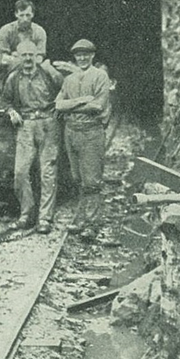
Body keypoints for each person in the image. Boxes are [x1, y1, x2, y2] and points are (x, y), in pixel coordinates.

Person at [1, 40, 64, 234]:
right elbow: (5, 99)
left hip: (48, 123)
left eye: (31, 54)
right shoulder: (14, 77)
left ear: (37, 55)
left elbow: (65, 87)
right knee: (20, 172)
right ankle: (26, 215)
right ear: (18, 57)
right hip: (26, 125)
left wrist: (59, 105)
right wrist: (11, 111)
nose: (27, 58)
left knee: (47, 172)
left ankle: (45, 218)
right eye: (24, 55)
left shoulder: (48, 73)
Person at [55, 39, 113, 238]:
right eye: (78, 55)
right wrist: (80, 100)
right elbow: (58, 105)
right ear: (75, 57)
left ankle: (92, 224)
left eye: (85, 54)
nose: (82, 58)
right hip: (71, 131)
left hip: (91, 132)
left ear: (92, 55)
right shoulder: (70, 79)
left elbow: (98, 106)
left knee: (92, 181)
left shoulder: (100, 76)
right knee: (78, 178)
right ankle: (81, 219)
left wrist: (70, 105)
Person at [0, 0, 48, 74]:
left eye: (28, 15)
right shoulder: (6, 30)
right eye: (21, 15)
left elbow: (40, 57)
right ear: (16, 14)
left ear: (33, 14)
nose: (25, 19)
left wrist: (18, 56)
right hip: (11, 67)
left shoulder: (39, 31)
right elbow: (2, 57)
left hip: (34, 66)